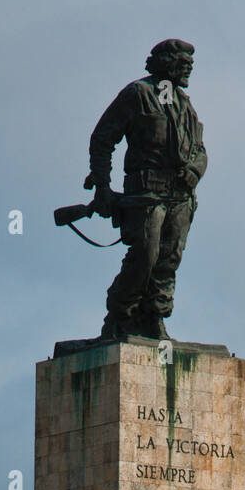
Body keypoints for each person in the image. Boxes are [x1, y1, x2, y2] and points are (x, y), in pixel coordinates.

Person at [88, 39, 207, 340]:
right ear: (166, 63)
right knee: (145, 254)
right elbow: (103, 138)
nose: (188, 69)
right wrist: (102, 185)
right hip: (146, 193)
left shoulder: (185, 104)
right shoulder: (137, 95)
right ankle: (121, 315)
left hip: (181, 196)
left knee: (169, 259)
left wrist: (194, 170)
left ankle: (155, 317)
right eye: (182, 63)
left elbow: (200, 148)